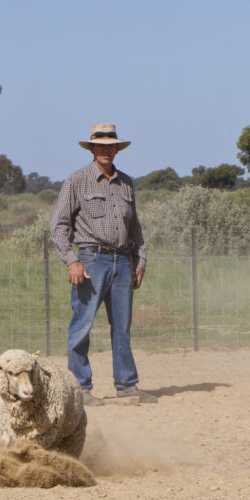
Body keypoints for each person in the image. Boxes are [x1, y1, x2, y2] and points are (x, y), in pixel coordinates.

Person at [50, 123, 157, 405]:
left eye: (111, 145)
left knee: (122, 327)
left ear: (116, 149)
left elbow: (135, 229)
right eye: (101, 145)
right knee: (81, 325)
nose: (106, 149)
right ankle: (79, 389)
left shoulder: (127, 183)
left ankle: (127, 385)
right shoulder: (76, 181)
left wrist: (140, 261)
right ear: (92, 148)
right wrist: (71, 261)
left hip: (123, 261)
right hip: (90, 260)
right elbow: (59, 227)